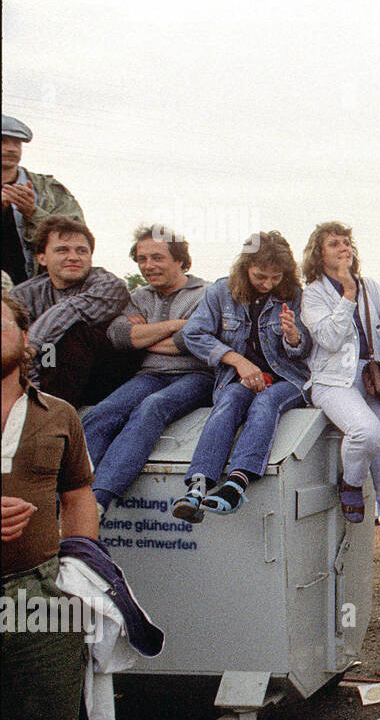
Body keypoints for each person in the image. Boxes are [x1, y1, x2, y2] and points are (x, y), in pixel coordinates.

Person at [1, 291, 98, 720]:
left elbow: (78, 493)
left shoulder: (58, 414)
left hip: (39, 593)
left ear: (24, 339)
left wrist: (80, 571)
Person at [299, 222, 380, 576]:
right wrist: (347, 294)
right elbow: (329, 339)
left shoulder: (370, 287)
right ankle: (350, 482)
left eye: (346, 242)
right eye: (334, 244)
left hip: (372, 379)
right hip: (332, 381)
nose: (344, 248)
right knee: (367, 434)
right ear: (319, 254)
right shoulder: (314, 293)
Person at [171, 231, 311, 521]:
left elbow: (302, 352)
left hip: (287, 379)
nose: (268, 284)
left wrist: (294, 336)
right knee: (230, 400)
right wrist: (236, 361)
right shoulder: (220, 292)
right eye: (260, 276)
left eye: (276, 277)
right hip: (239, 379)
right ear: (244, 267)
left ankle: (237, 483)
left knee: (265, 404)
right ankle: (198, 485)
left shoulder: (294, 295)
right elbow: (193, 334)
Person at [81, 226, 212, 519]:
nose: (148, 266)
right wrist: (174, 325)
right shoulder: (140, 296)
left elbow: (189, 343)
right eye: (141, 259)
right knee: (103, 412)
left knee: (152, 407)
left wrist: (143, 337)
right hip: (149, 375)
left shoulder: (206, 293)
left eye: (157, 257)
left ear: (180, 260)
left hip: (196, 377)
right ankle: (71, 496)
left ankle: (99, 500)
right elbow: (118, 336)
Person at [9, 216, 135, 407]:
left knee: (74, 333)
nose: (73, 257)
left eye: (81, 251)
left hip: (105, 377)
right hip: (49, 369)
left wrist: (31, 347)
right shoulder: (23, 294)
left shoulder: (110, 285)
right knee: (35, 346)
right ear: (42, 258)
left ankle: (50, 414)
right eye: (62, 250)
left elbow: (71, 310)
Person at [2, 115, 85, 286]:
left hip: (39, 295)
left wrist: (33, 213)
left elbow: (80, 240)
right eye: (2, 141)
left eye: (16, 143)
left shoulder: (49, 189)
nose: (11, 149)